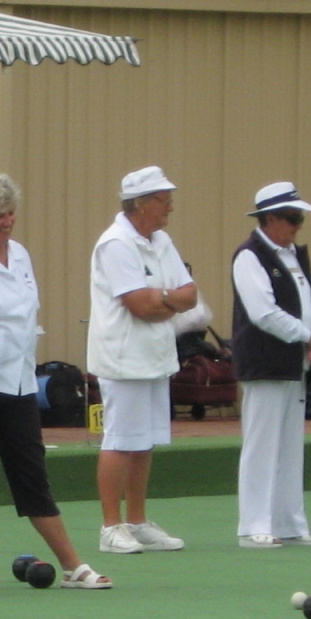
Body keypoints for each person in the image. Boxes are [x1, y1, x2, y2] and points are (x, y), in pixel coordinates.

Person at [0, 172, 112, 590]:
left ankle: (72, 565)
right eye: (0, 215)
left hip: (20, 383)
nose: (8, 222)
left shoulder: (20, 255)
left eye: (11, 213)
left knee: (32, 473)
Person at [87, 166, 198, 554]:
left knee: (144, 442)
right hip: (123, 357)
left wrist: (161, 297)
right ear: (140, 204)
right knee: (120, 440)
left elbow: (189, 294)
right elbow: (139, 305)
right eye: (163, 199)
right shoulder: (115, 244)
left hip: (156, 356)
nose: (170, 206)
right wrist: (167, 299)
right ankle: (110, 526)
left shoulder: (162, 240)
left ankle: (136, 521)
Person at [231, 181, 311, 549]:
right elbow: (263, 312)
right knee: (261, 444)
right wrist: (308, 337)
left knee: (290, 446)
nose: (297, 226)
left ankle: (290, 523)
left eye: (300, 218)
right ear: (269, 218)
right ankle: (253, 525)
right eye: (292, 218)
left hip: (295, 365)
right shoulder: (249, 256)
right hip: (264, 363)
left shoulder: (295, 257)